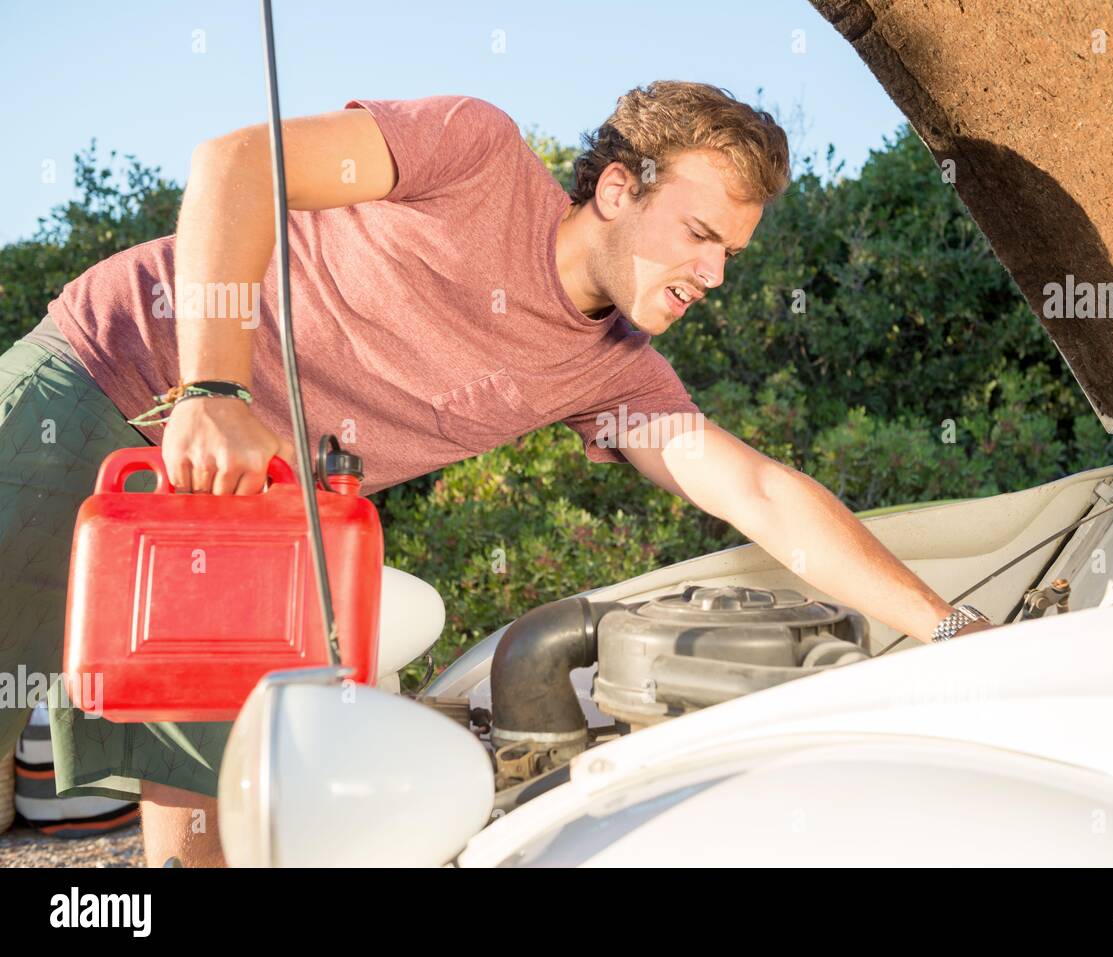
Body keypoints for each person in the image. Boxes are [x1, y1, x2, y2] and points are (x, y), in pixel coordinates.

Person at [0, 80, 991, 867]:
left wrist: (950, 632)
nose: (715, 275)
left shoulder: (610, 371)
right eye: (699, 234)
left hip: (244, 520)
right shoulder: (475, 149)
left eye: (730, 252)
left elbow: (760, 494)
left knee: (207, 807)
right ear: (616, 190)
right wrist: (211, 384)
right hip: (104, 386)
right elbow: (238, 161)